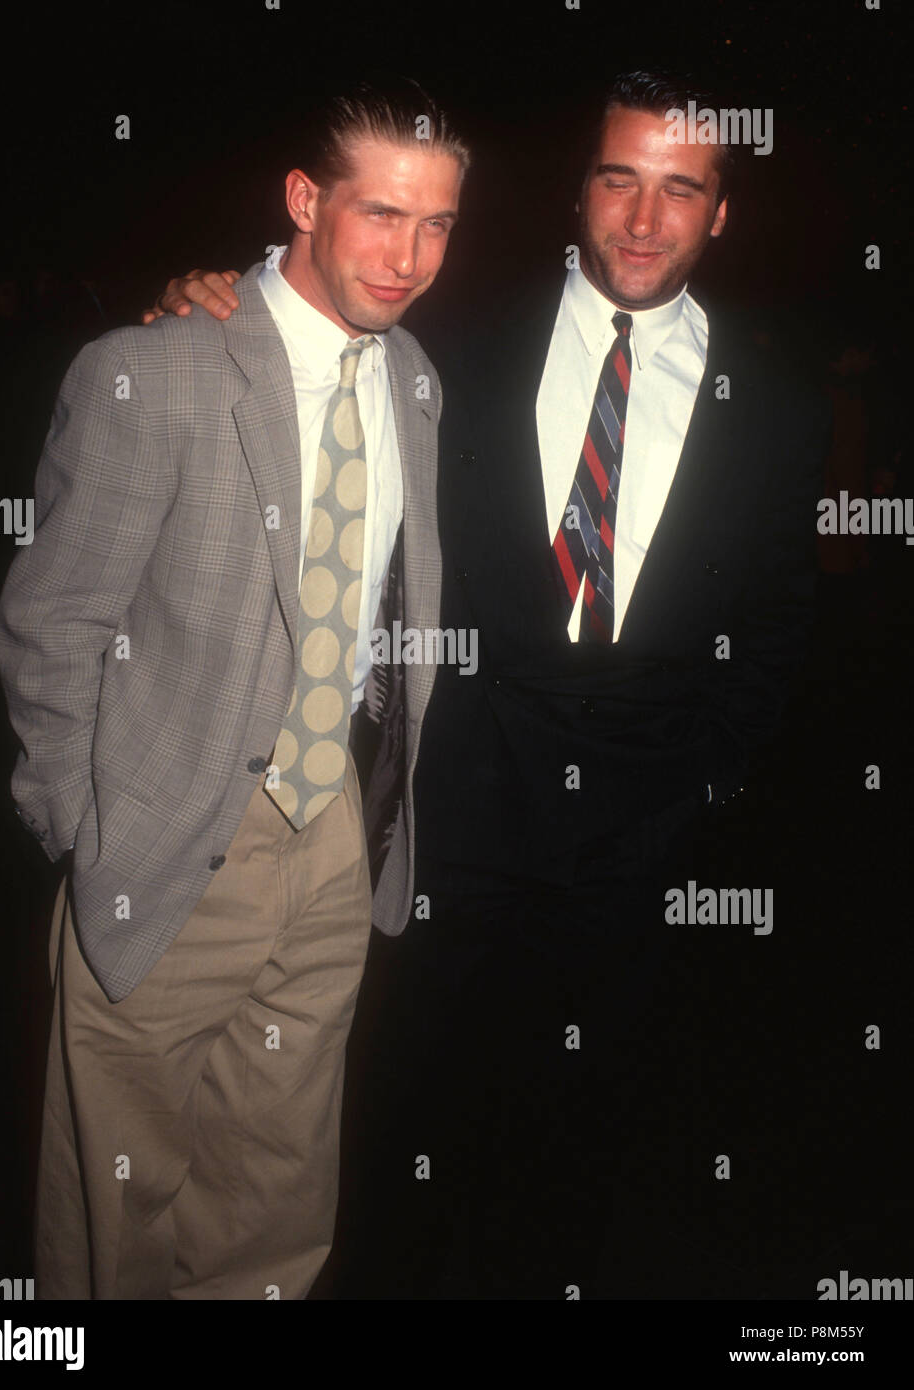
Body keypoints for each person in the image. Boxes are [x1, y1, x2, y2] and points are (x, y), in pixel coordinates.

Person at [149, 70, 826, 1297]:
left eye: (683, 191)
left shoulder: (777, 409)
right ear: (582, 190)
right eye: (619, 178)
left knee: (586, 1171)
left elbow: (777, 637)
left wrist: (701, 797)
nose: (641, 217)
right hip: (446, 840)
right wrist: (208, 302)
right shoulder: (442, 340)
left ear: (721, 214)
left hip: (644, 864)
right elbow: (309, 318)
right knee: (398, 1158)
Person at [0, 78, 467, 1300]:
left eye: (437, 225)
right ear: (306, 199)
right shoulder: (151, 373)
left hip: (333, 848)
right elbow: (52, 627)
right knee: (114, 1210)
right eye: (378, 215)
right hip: (164, 840)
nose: (408, 257)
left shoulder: (412, 379)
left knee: (275, 1193)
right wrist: (87, 833)